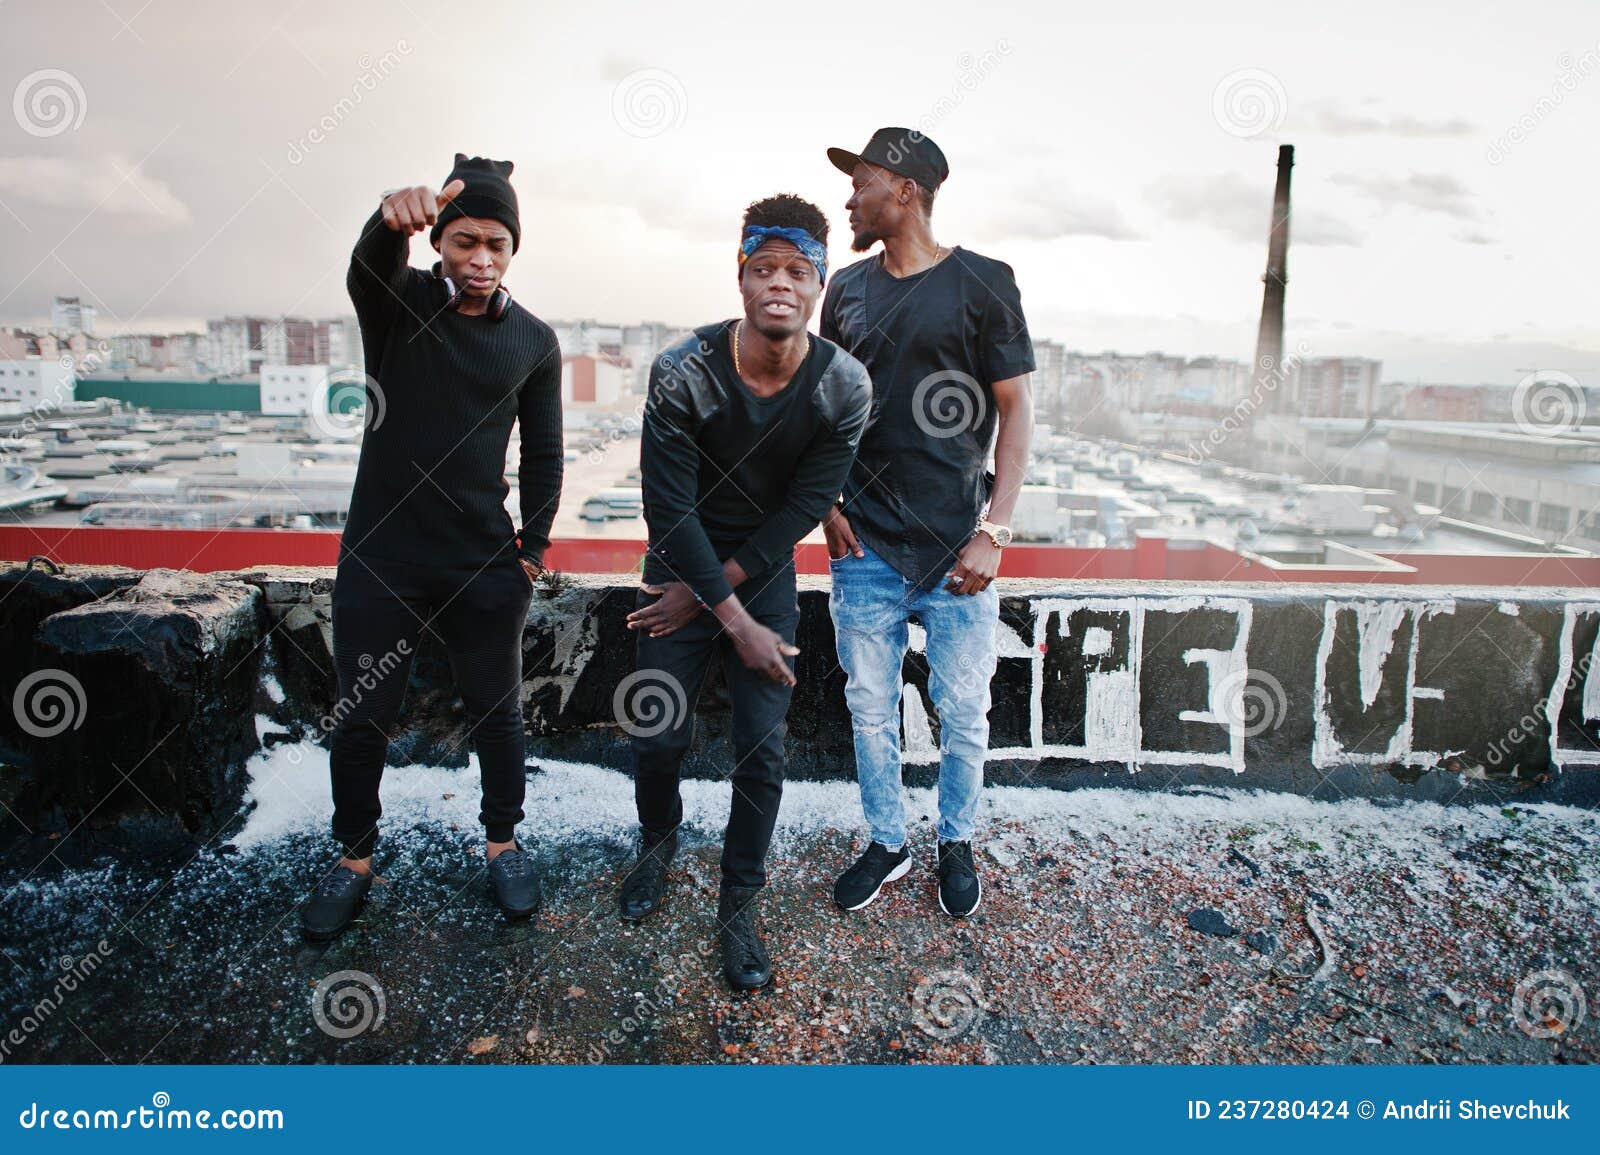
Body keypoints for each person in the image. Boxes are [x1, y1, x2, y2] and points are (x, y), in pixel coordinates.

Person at [300, 153, 564, 940]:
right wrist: (389, 220)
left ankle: (503, 841)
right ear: (438, 243)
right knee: (362, 717)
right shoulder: (398, 305)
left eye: (496, 245)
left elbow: (546, 452)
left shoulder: (533, 341)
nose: (480, 260)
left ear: (512, 251)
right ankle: (353, 859)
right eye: (463, 242)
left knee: (497, 714)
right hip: (381, 556)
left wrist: (532, 552)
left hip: (483, 562)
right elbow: (367, 263)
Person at [620, 194, 871, 990]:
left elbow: (802, 508)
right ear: (740, 277)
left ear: (819, 284)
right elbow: (671, 507)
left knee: (762, 756)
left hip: (760, 580)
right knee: (656, 732)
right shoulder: (683, 372)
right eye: (763, 267)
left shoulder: (843, 387)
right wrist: (702, 602)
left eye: (799, 271)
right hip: (677, 567)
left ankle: (739, 901)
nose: (780, 284)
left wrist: (722, 607)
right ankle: (659, 837)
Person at [820, 128, 1035, 918]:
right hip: (865, 545)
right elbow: (825, 408)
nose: (850, 197)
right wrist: (827, 507)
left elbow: (1017, 412)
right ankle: (887, 841)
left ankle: (956, 840)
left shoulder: (985, 283)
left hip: (957, 550)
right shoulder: (843, 289)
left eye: (862, 181)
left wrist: (996, 528)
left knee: (964, 708)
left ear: (904, 190)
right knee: (869, 706)